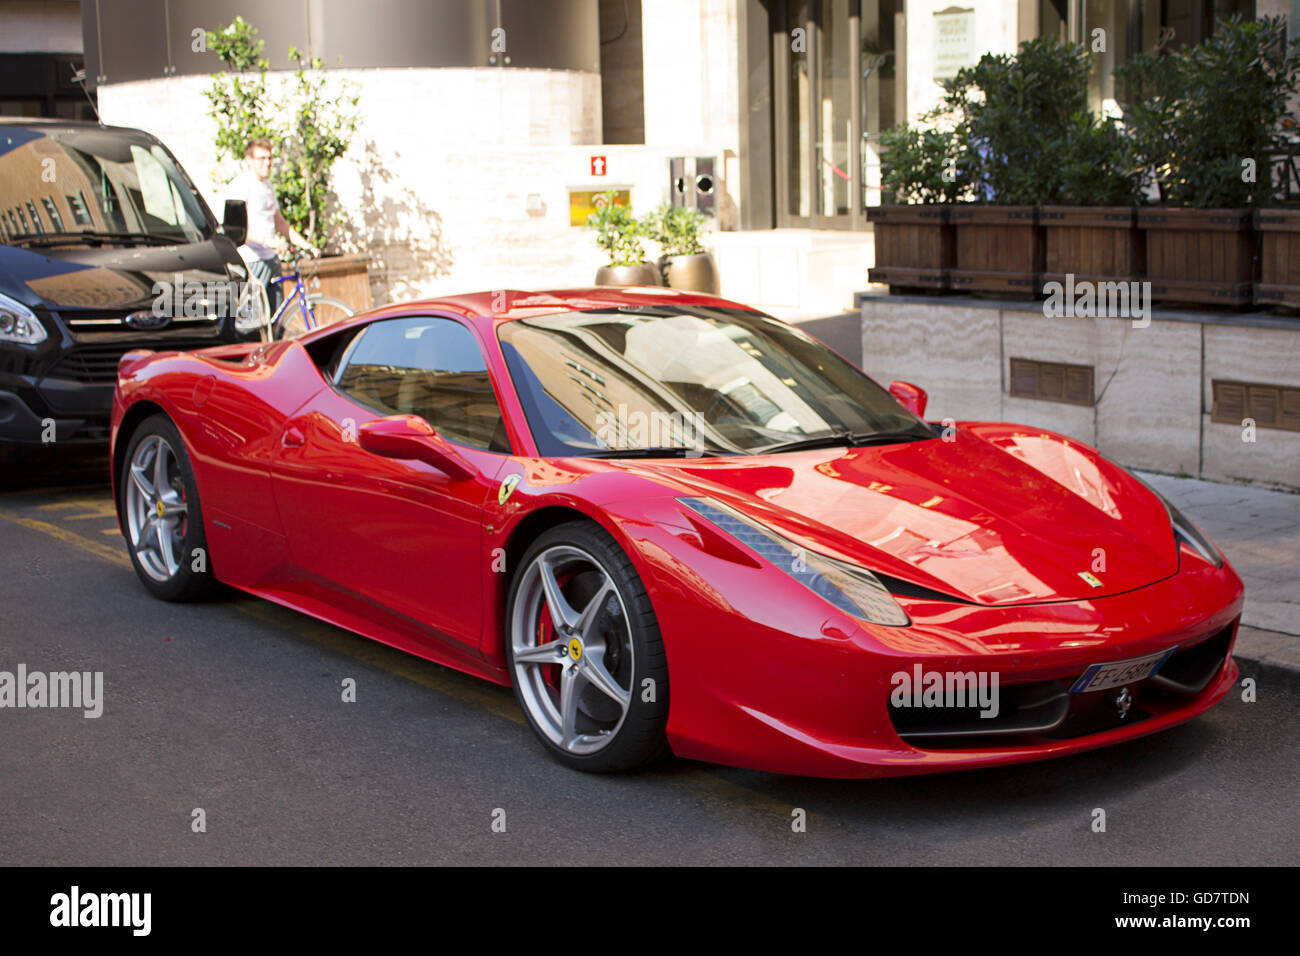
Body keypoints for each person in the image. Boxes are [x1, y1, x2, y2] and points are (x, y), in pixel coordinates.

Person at [226, 137, 318, 314]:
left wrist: (307, 246)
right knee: (254, 315)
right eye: (261, 158)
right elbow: (237, 228)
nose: (267, 163)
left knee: (277, 314)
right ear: (249, 160)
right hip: (252, 260)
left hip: (271, 259)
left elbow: (280, 223)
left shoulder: (268, 186)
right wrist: (268, 242)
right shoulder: (241, 186)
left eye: (269, 158)